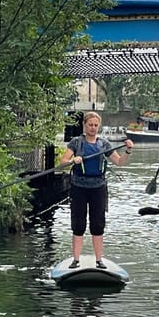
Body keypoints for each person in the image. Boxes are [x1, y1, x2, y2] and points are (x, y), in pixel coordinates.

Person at [61, 111, 133, 269]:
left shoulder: (104, 144)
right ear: (84, 125)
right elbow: (63, 162)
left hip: (98, 188)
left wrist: (128, 150)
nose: (93, 128)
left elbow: (120, 162)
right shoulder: (76, 142)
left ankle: (99, 260)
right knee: (78, 224)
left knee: (98, 224)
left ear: (98, 126)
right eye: (90, 125)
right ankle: (76, 259)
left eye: (95, 125)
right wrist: (73, 160)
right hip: (79, 188)